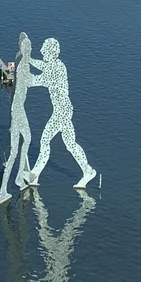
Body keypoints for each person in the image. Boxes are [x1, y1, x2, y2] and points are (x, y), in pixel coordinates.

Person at [24, 38, 95, 190]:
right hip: (64, 109)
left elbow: (36, 81)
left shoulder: (54, 69)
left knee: (45, 140)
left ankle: (35, 174)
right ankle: (88, 171)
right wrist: (28, 59)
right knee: (70, 144)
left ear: (50, 52)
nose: (42, 51)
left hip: (61, 112)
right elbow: (43, 65)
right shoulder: (58, 64)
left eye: (44, 49)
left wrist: (22, 74)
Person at [0, 32, 36, 204]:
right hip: (18, 110)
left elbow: (14, 70)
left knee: (26, 139)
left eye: (29, 47)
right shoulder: (23, 65)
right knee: (14, 151)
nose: (29, 49)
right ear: (23, 47)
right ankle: (4, 191)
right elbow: (31, 81)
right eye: (27, 47)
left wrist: (5, 68)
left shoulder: (19, 58)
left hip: (18, 109)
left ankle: (19, 178)